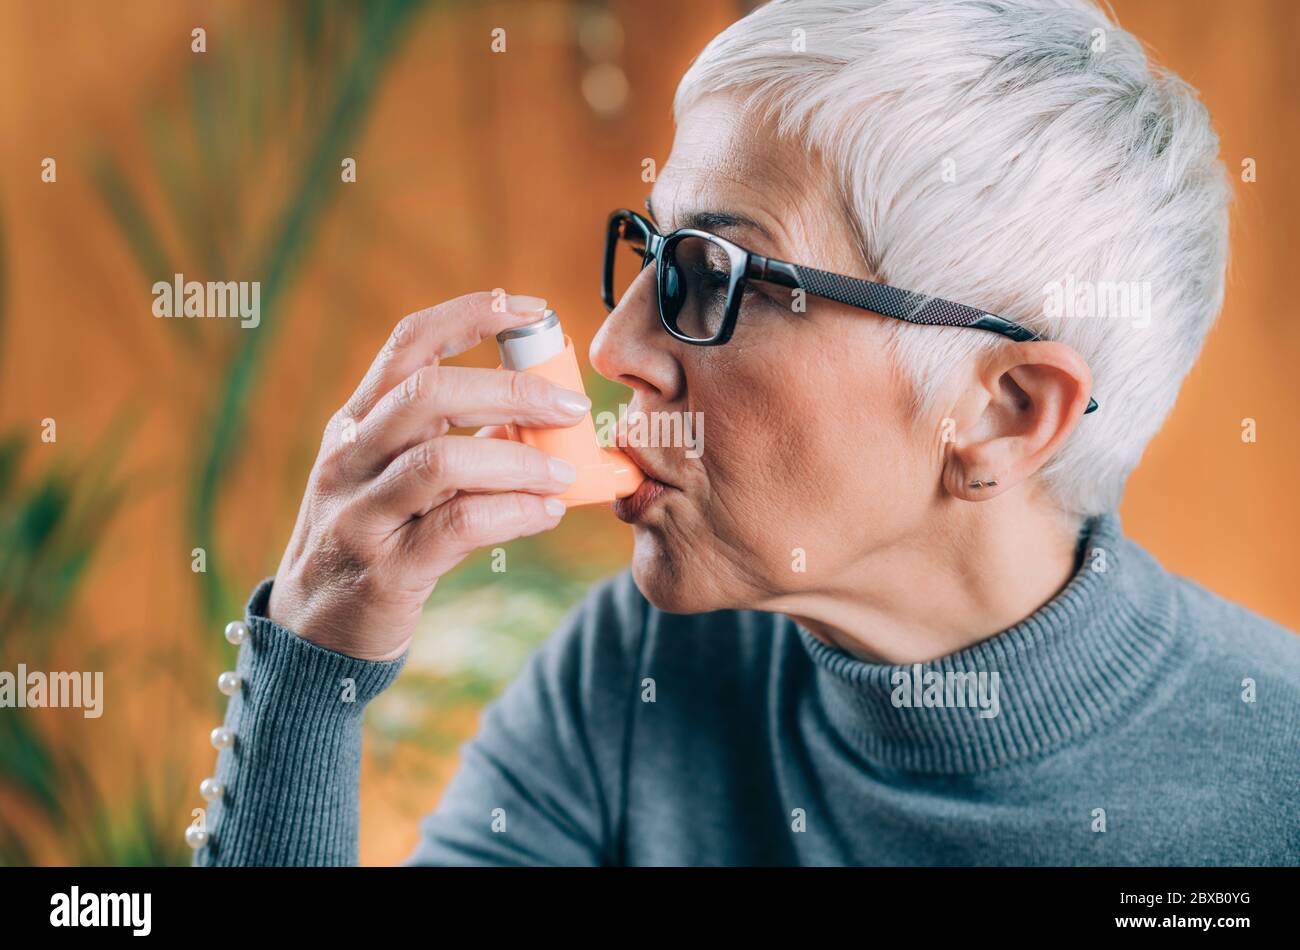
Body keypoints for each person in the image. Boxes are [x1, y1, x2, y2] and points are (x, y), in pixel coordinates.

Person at [194, 0, 1300, 866]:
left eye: (713, 275)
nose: (616, 346)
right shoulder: (636, 672)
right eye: (651, 250)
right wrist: (312, 664)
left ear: (1003, 413)